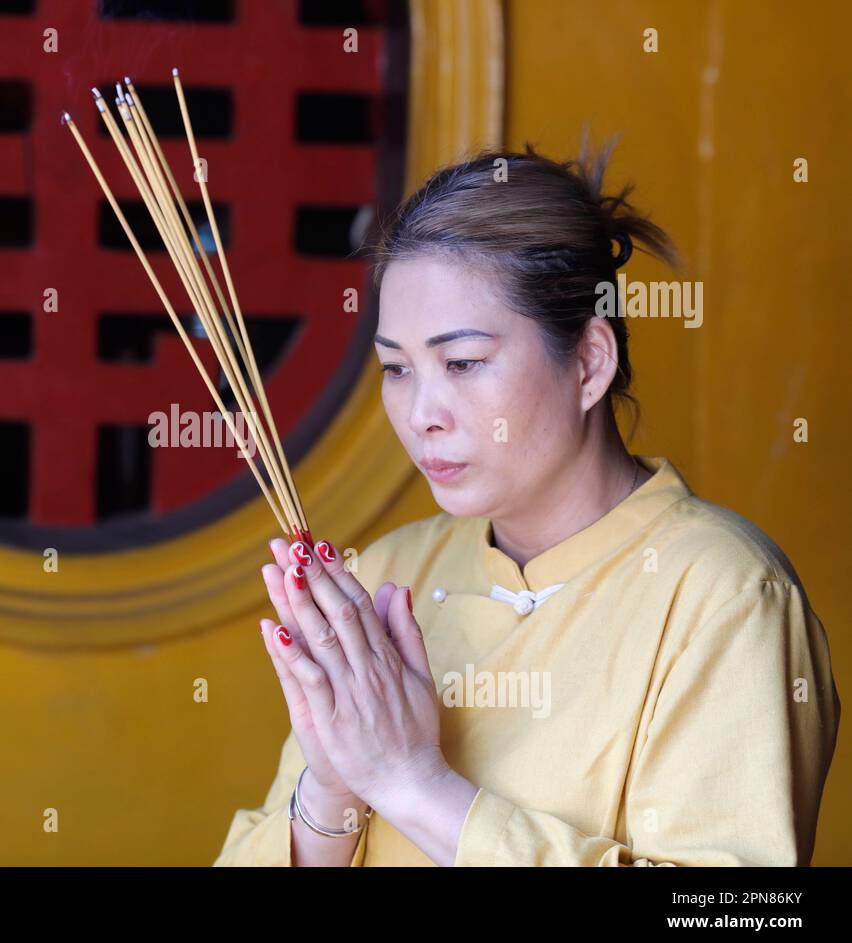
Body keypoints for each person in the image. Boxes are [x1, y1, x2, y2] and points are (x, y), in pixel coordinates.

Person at [213, 140, 840, 866]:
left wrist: (414, 784)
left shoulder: (722, 596)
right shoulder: (388, 577)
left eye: (463, 363)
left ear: (589, 362)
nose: (421, 413)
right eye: (396, 368)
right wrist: (332, 784)